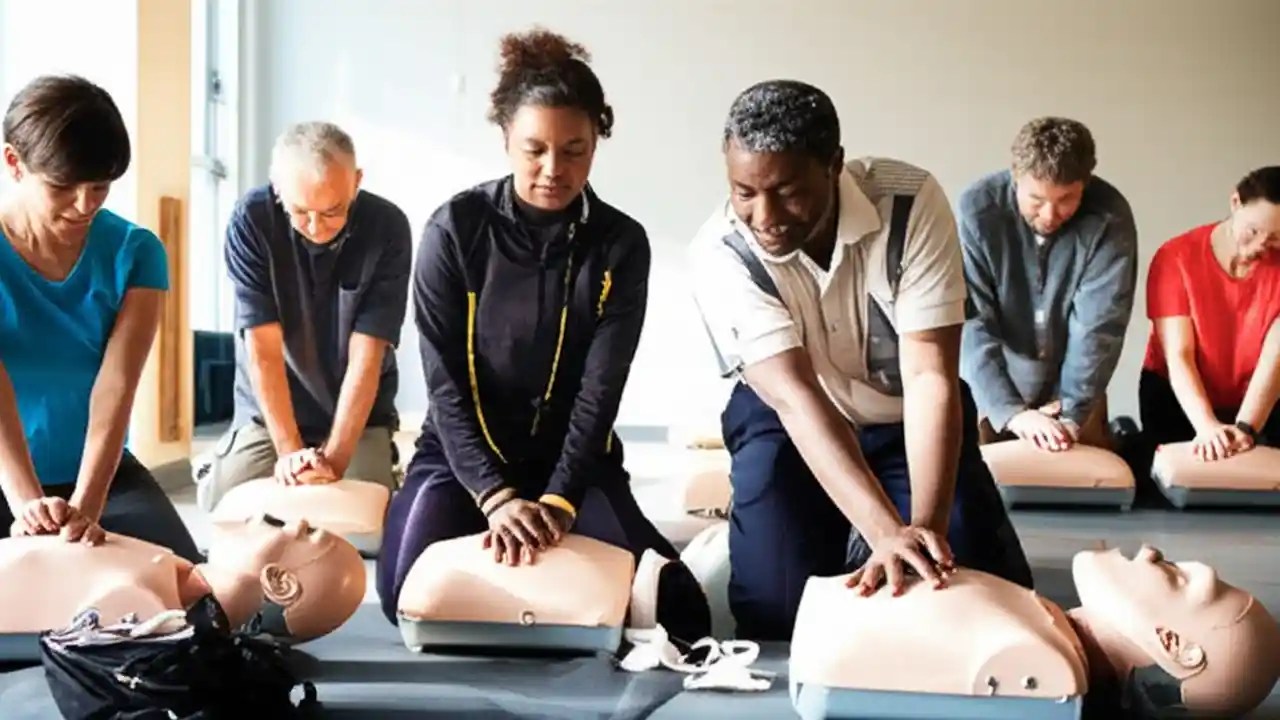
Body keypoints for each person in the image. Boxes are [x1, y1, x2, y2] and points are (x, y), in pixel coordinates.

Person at [691, 79, 1033, 641]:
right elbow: (795, 398)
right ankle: (786, 525)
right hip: (787, 425)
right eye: (744, 191)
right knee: (776, 614)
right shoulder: (720, 249)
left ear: (834, 165)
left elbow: (929, 376)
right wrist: (882, 532)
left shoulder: (910, 202)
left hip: (902, 418)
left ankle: (874, 521)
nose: (764, 215)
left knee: (969, 588)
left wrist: (923, 533)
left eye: (786, 190)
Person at [375, 29, 695, 626]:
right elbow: (444, 384)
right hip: (460, 459)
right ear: (505, 140)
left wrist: (557, 499)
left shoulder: (620, 243)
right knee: (403, 599)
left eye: (574, 149)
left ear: (596, 141)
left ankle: (539, 526)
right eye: (534, 149)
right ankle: (489, 518)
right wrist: (496, 497)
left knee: (681, 610)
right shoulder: (455, 229)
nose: (554, 168)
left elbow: (601, 389)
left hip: (572, 463)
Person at [0, 75, 199, 561]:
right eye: (64, 186)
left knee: (189, 592)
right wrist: (26, 503)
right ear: (14, 163)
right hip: (5, 469)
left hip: (94, 471)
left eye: (100, 186)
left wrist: (86, 507)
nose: (85, 204)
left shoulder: (136, 252)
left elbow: (116, 389)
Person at [195, 122, 412, 511]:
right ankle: (217, 467)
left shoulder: (388, 227)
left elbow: (367, 357)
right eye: (300, 212)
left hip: (356, 413)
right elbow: (262, 350)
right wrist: (291, 455)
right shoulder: (252, 220)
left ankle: (382, 462)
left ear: (356, 182)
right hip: (269, 413)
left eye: (332, 212)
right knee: (225, 510)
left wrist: (335, 461)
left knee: (367, 523)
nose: (316, 228)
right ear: (277, 187)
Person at [958, 117, 1137, 452]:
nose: (1050, 214)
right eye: (1036, 199)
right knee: (990, 482)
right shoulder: (976, 210)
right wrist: (1011, 412)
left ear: (1086, 182)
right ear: (1016, 177)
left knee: (1086, 484)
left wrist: (1071, 412)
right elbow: (972, 321)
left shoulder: (1110, 216)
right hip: (995, 375)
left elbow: (1099, 326)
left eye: (1067, 198)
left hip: (1075, 374)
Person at [1140, 166, 1280, 461]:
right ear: (1235, 203)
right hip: (1177, 394)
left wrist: (1246, 427)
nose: (1259, 247)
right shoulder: (1175, 257)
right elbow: (1179, 354)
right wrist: (1207, 426)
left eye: (1275, 238)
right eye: (1253, 232)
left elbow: (1275, 358)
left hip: (1261, 395)